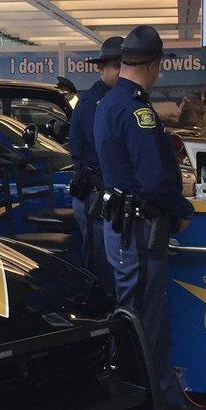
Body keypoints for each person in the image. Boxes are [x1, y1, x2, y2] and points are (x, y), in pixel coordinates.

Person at [95, 25, 206, 410]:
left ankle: (157, 400)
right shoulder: (138, 111)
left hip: (124, 226)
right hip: (140, 227)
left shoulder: (110, 103)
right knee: (143, 321)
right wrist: (182, 207)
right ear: (156, 65)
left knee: (143, 317)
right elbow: (152, 180)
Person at [68, 37, 123, 287]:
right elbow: (106, 149)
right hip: (94, 192)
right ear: (101, 69)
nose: (123, 72)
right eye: (116, 67)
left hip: (104, 192)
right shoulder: (95, 102)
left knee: (110, 257)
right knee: (101, 261)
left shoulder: (113, 98)